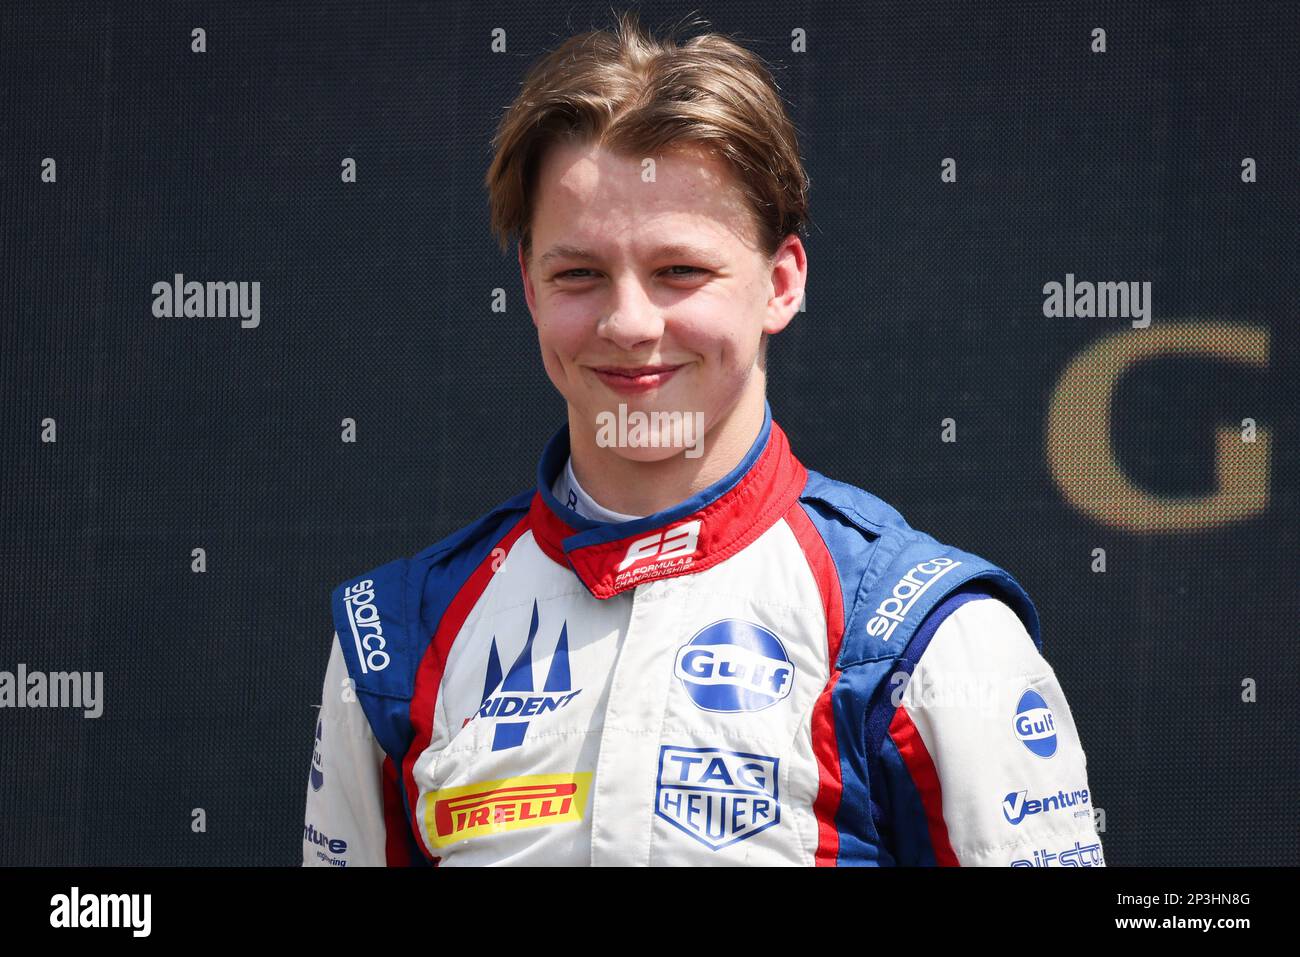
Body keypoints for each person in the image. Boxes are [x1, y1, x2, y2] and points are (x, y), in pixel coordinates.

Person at [303, 11, 1104, 867]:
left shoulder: (924, 637)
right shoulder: (396, 633)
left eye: (679, 271)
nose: (629, 322)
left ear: (781, 283)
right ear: (531, 294)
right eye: (579, 273)